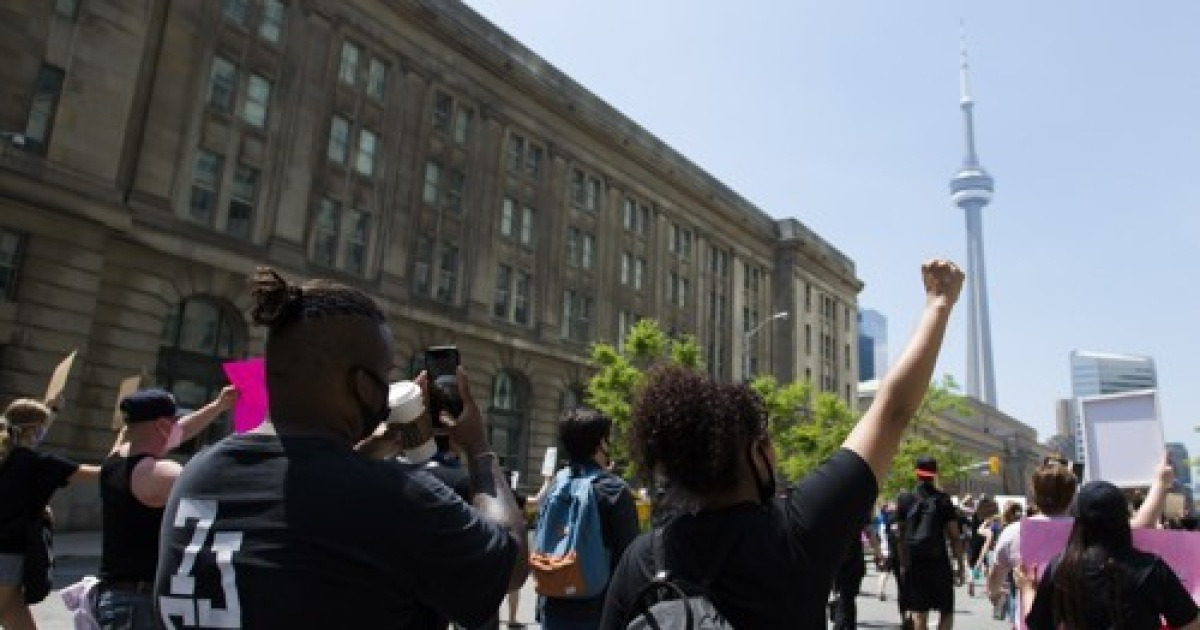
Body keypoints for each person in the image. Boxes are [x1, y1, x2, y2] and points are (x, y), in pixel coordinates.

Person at [598, 258, 964, 630]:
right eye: (766, 442)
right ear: (752, 456)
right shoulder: (797, 532)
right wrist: (939, 303)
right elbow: (891, 411)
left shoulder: (643, 557)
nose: (774, 453)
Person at [154, 267, 528, 628]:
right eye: (384, 377)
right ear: (364, 386)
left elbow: (306, 506)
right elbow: (507, 565)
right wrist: (479, 450)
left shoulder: (199, 476)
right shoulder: (396, 497)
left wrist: (375, 446)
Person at [96, 385, 235, 630]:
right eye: (174, 421)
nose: (178, 427)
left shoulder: (115, 460)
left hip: (115, 597)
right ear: (162, 426)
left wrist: (218, 406)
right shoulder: (160, 473)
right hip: (139, 606)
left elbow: (181, 431)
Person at [986, 455, 1172, 626]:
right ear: (1072, 494)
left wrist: (996, 595)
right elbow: (1141, 524)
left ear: (1033, 492)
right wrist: (1161, 484)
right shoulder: (1089, 529)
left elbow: (996, 577)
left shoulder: (1013, 532)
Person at [1017, 480, 1200, 630]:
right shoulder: (1151, 568)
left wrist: (1027, 590)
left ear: (1079, 521)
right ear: (1124, 518)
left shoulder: (1061, 567)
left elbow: (1038, 625)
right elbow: (1190, 623)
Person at [0, 398, 105, 630]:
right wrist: (124, 443)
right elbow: (103, 473)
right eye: (43, 428)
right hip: (8, 552)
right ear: (35, 430)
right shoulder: (43, 464)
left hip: (9, 551)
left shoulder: (6, 457)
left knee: (15, 614)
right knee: (8, 609)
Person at [537, 408, 639, 630]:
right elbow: (629, 557)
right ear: (601, 443)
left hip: (553, 605)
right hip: (599, 610)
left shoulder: (556, 484)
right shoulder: (614, 489)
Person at [895, 456, 966, 630]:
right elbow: (954, 536)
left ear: (916, 473)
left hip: (915, 562)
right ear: (935, 474)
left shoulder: (904, 499)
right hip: (938, 561)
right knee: (947, 610)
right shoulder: (943, 500)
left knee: (919, 611)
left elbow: (900, 534)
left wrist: (903, 563)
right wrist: (960, 565)